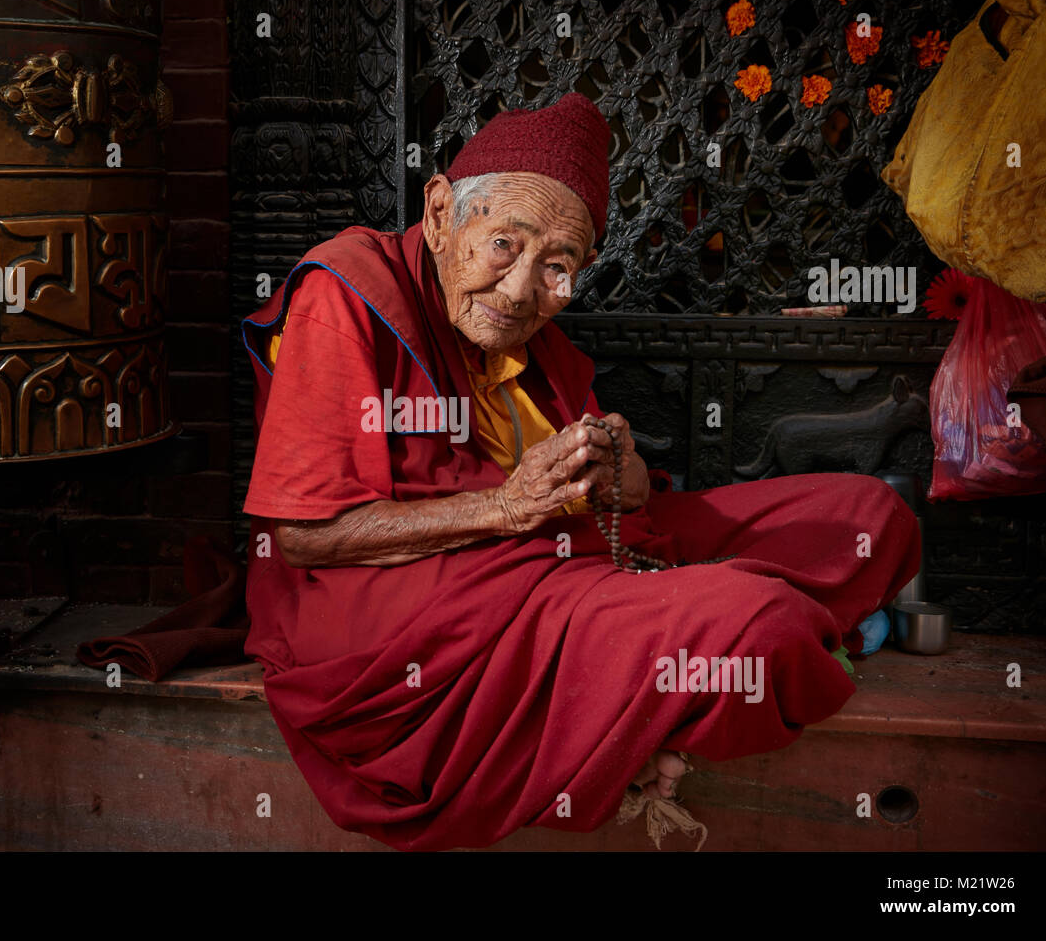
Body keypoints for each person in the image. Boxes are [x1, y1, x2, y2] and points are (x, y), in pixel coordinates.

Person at [240, 92, 921, 851]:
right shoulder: (348, 294)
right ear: (439, 214)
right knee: (764, 628)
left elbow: (618, 505)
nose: (523, 289)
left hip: (553, 558)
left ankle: (642, 681)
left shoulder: (538, 340)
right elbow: (303, 534)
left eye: (557, 266)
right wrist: (505, 508)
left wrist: (619, 472)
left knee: (867, 517)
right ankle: (654, 681)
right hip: (399, 598)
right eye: (505, 244)